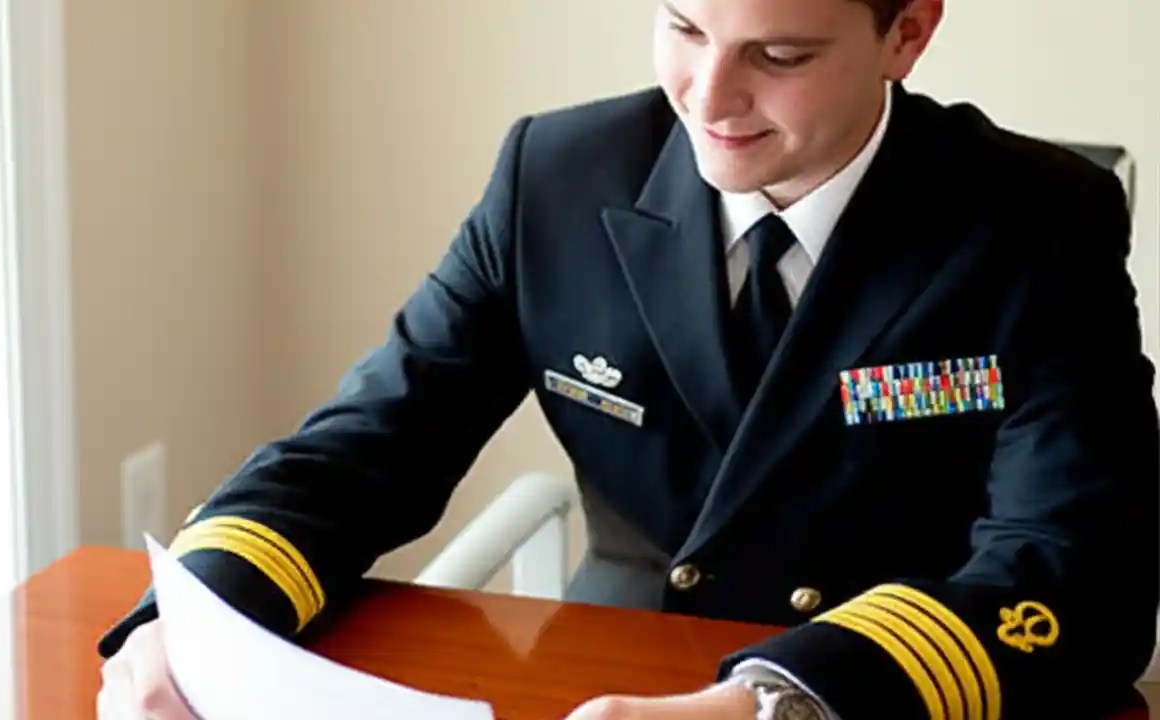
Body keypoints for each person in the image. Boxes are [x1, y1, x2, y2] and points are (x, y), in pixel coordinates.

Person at [95, 0, 1160, 717]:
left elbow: (1077, 570)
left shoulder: (1035, 221)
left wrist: (768, 701)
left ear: (907, 33)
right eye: (683, 26)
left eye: (777, 56)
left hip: (875, 688)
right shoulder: (553, 176)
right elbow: (366, 446)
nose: (705, 96)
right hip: (600, 668)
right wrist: (189, 618)